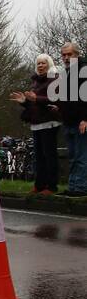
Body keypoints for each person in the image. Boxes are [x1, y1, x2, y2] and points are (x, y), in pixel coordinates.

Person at [10, 55, 60, 196]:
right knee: (38, 156)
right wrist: (24, 102)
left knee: (49, 155)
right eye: (38, 63)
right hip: (37, 123)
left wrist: (36, 98)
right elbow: (34, 104)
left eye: (43, 63)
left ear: (49, 64)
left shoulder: (55, 79)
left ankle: (51, 186)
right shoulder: (36, 82)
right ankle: (39, 185)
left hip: (49, 122)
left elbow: (55, 99)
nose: (40, 66)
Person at [57, 42, 87, 196]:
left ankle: (81, 188)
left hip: (80, 121)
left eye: (69, 54)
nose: (66, 58)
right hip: (69, 121)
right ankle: (73, 186)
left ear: (77, 54)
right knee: (73, 156)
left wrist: (85, 119)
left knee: (81, 156)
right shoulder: (67, 72)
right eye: (64, 55)